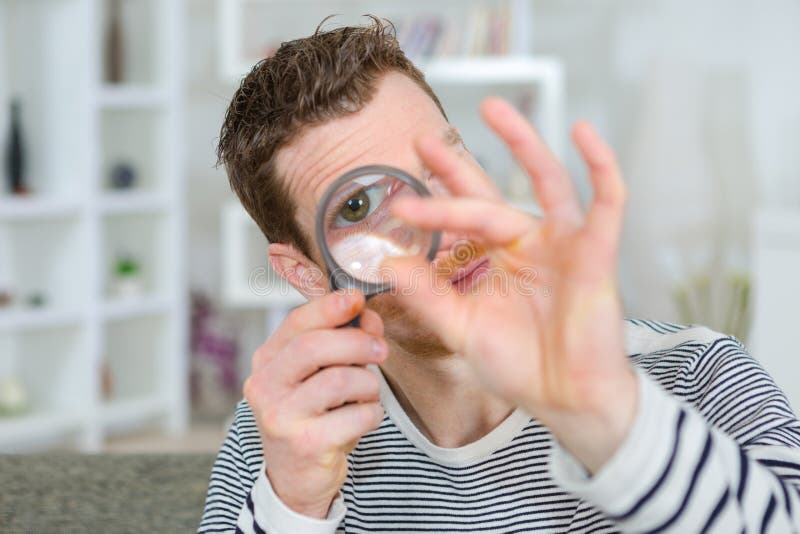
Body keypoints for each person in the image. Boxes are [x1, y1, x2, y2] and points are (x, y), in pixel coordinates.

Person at [199, 18, 800, 533]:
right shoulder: (285, 435)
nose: (447, 225)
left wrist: (609, 417)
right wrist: (294, 507)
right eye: (360, 206)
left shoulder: (700, 376)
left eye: (442, 161)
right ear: (307, 273)